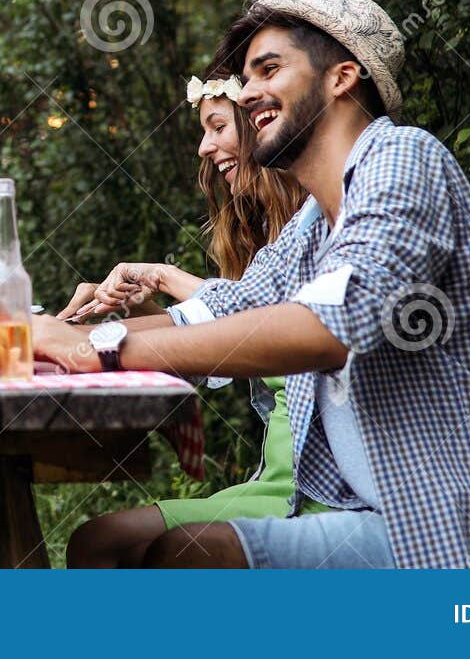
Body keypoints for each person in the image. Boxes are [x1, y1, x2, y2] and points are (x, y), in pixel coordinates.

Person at [26, 0, 470, 569]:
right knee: (140, 551)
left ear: (343, 76)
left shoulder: (403, 157)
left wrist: (103, 351)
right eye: (245, 78)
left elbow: (329, 327)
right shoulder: (312, 223)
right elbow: (225, 309)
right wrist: (52, 332)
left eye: (268, 69)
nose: (246, 94)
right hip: (386, 524)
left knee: (192, 559)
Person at [47, 70, 316, 568]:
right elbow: (223, 319)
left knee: (125, 547)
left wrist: (73, 336)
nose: (204, 148)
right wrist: (130, 308)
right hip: (279, 482)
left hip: (316, 491)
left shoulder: (328, 222)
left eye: (218, 127)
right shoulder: (273, 243)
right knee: (98, 542)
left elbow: (244, 317)